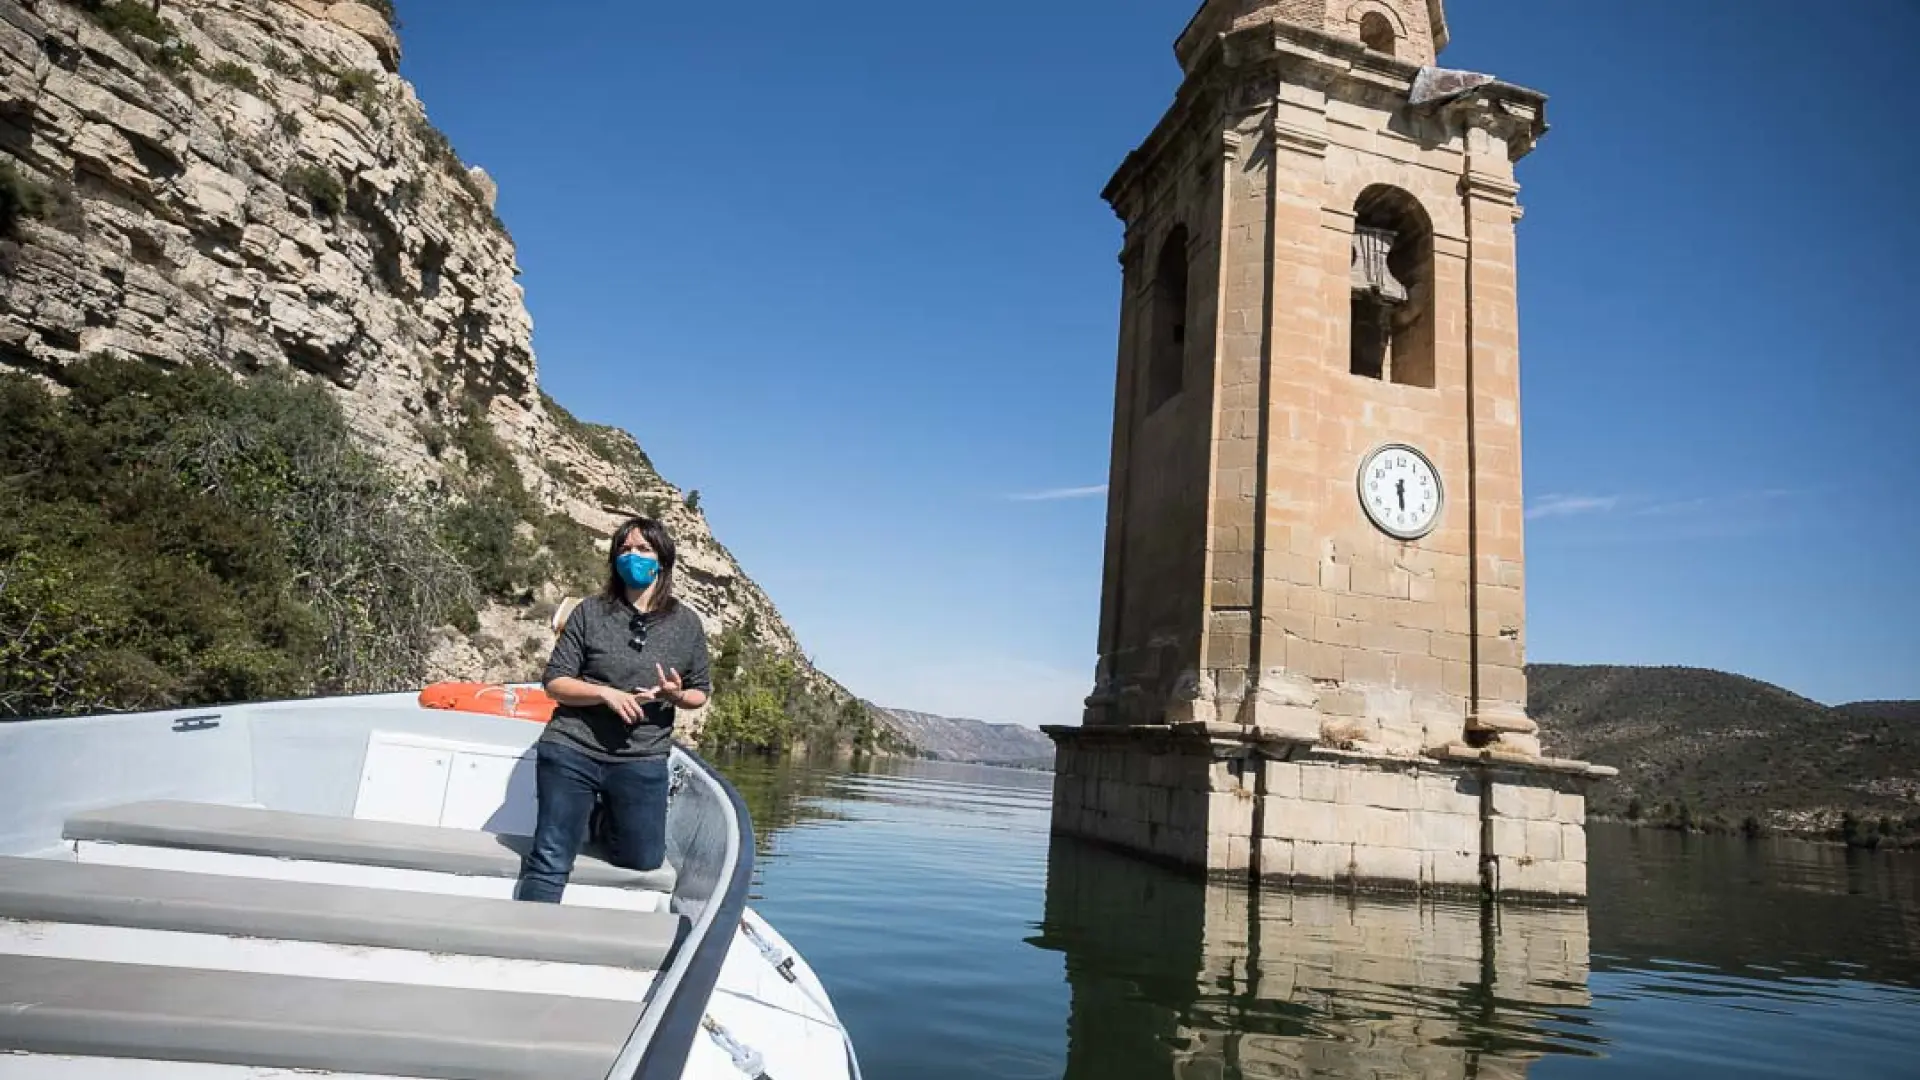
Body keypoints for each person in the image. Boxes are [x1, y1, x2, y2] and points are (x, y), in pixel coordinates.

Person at [514, 515, 712, 902]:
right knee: (551, 859)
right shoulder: (590, 612)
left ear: (662, 559)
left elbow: (699, 693)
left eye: (643, 549)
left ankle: (602, 819)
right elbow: (555, 683)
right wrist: (605, 694)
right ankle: (529, 944)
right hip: (572, 747)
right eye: (624, 549)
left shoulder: (688, 624)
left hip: (641, 755)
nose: (632, 556)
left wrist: (674, 695)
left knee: (642, 859)